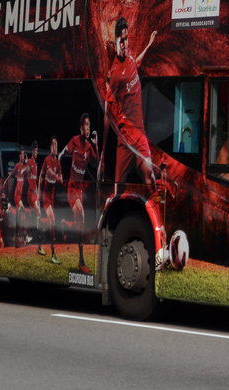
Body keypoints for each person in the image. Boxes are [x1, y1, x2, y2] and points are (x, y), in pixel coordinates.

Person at [105, 16, 158, 195]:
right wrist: (103, 150)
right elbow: (107, 110)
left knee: (149, 175)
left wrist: (149, 45)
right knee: (118, 187)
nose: (125, 44)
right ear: (115, 42)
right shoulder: (115, 74)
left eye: (127, 39)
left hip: (139, 134)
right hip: (126, 136)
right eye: (121, 40)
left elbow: (136, 63)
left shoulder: (131, 57)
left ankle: (159, 218)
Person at [59, 113, 99, 272]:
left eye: (90, 125)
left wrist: (96, 145)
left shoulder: (89, 147)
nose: (88, 128)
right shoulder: (74, 141)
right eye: (86, 125)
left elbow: (97, 166)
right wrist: (60, 172)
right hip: (71, 189)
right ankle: (81, 262)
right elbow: (62, 154)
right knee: (81, 215)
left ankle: (65, 224)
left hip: (80, 191)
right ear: (81, 127)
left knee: (79, 223)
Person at [39, 136, 64, 264]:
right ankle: (53, 254)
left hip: (53, 196)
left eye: (57, 145)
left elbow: (61, 176)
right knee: (53, 220)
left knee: (49, 222)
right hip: (46, 196)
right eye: (53, 145)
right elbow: (47, 173)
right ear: (50, 147)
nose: (55, 147)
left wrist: (60, 177)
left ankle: (40, 240)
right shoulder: (47, 159)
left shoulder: (58, 162)